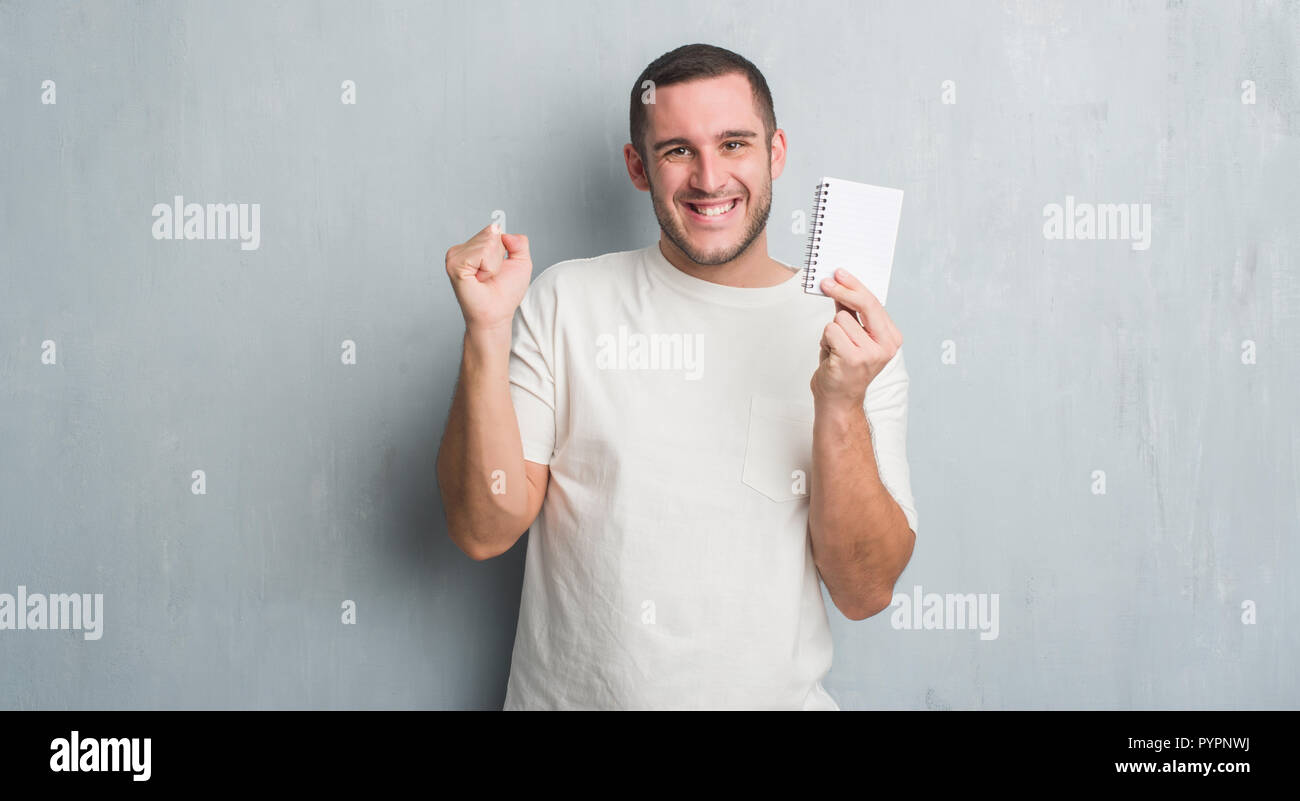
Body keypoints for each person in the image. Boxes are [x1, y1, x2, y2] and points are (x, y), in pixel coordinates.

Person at [437, 43, 917, 710]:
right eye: (677, 151)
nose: (709, 177)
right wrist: (486, 332)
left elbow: (865, 590)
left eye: (734, 144)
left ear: (775, 153)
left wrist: (841, 406)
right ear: (639, 167)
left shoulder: (851, 335)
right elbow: (482, 528)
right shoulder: (566, 301)